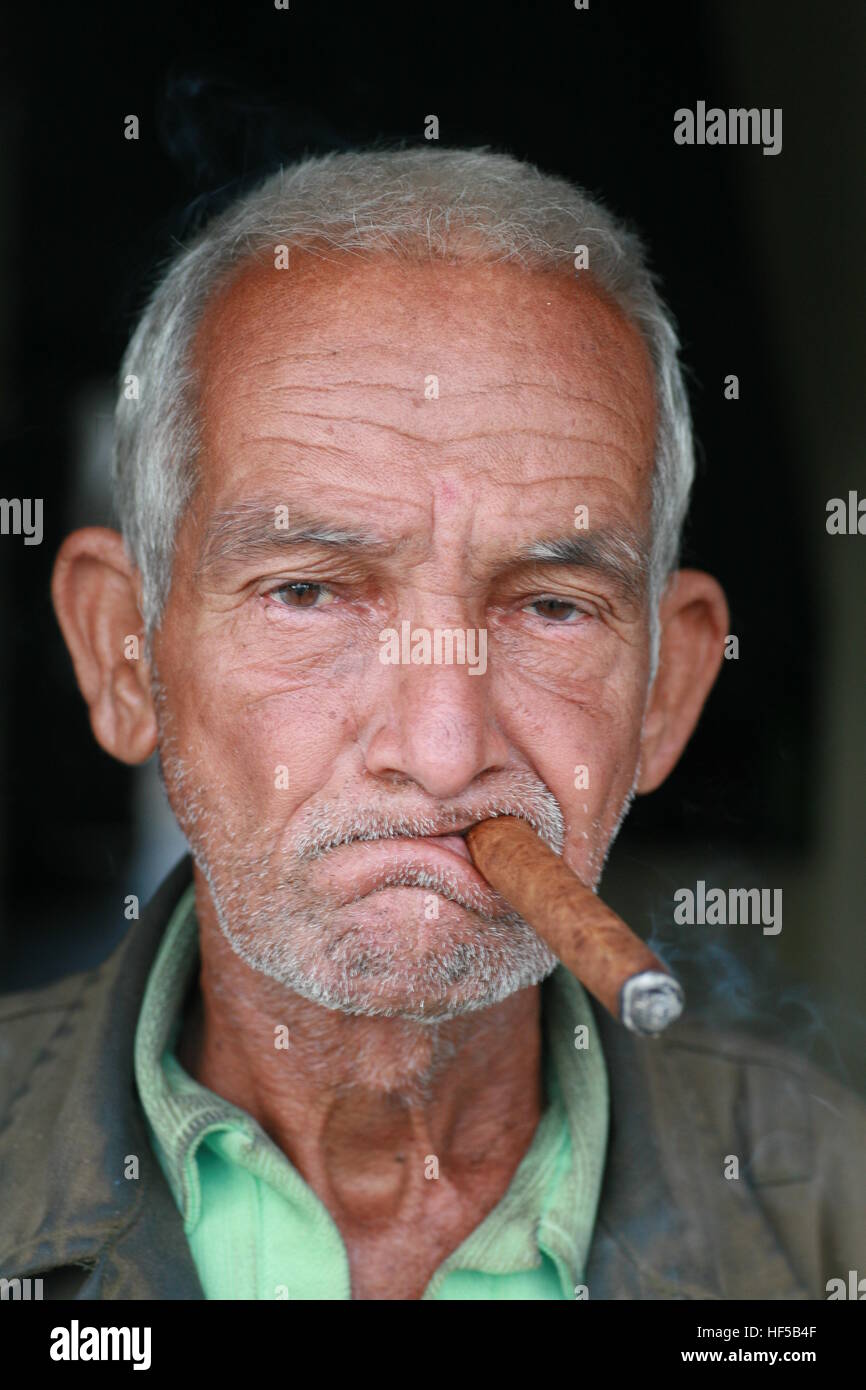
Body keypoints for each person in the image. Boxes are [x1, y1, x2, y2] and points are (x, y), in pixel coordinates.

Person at [1, 148, 862, 1300]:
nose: (444, 748)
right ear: (122, 653)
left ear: (665, 691)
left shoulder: (827, 1213)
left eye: (551, 608)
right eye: (307, 590)